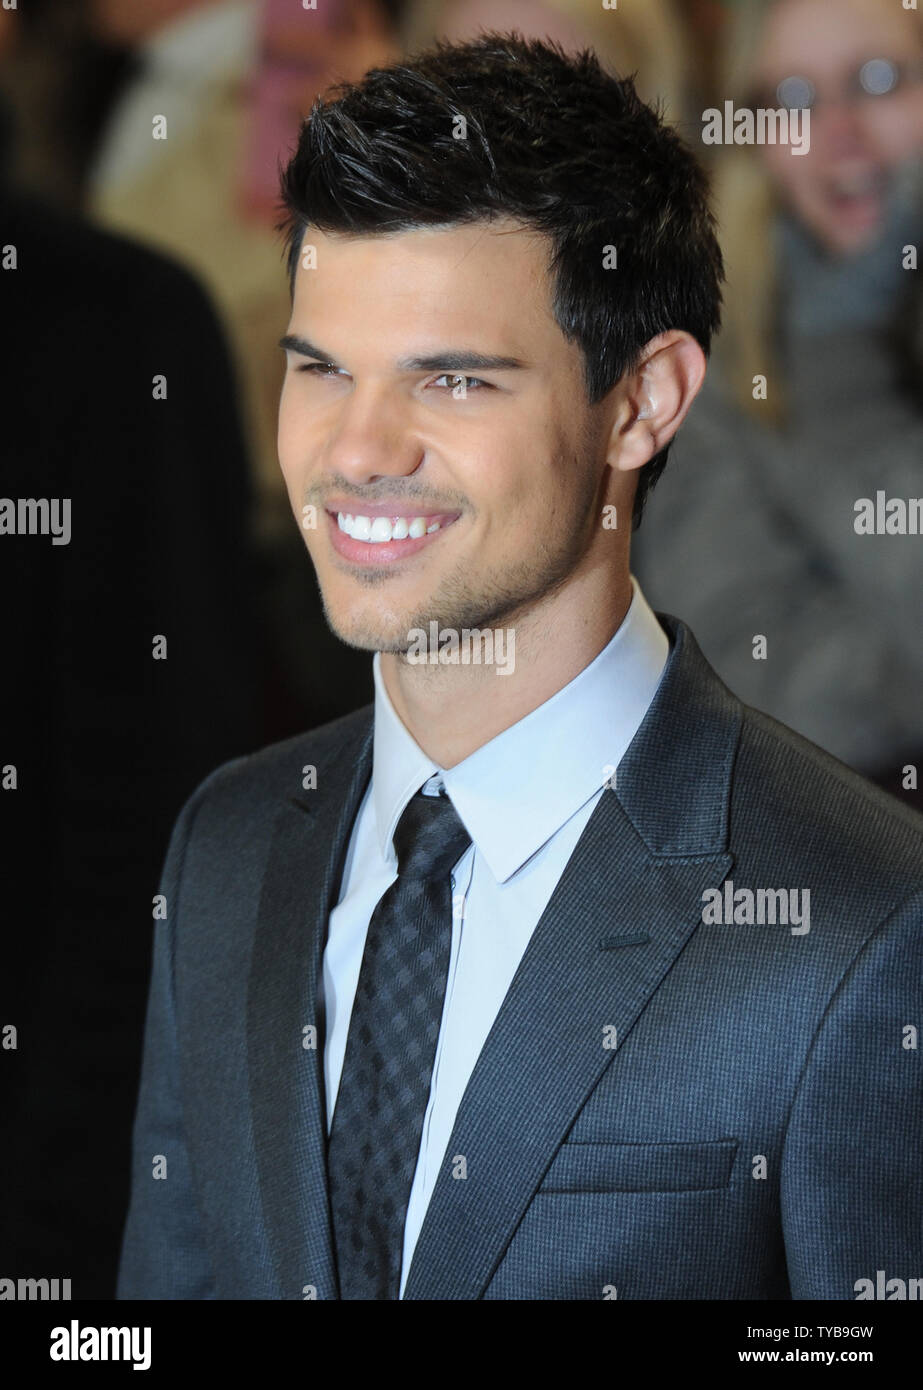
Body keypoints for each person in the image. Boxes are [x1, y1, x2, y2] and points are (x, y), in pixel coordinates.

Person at [116, 32, 923, 1301]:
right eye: (320, 369)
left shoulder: (862, 921)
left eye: (450, 378)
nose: (357, 451)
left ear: (643, 401)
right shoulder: (228, 844)